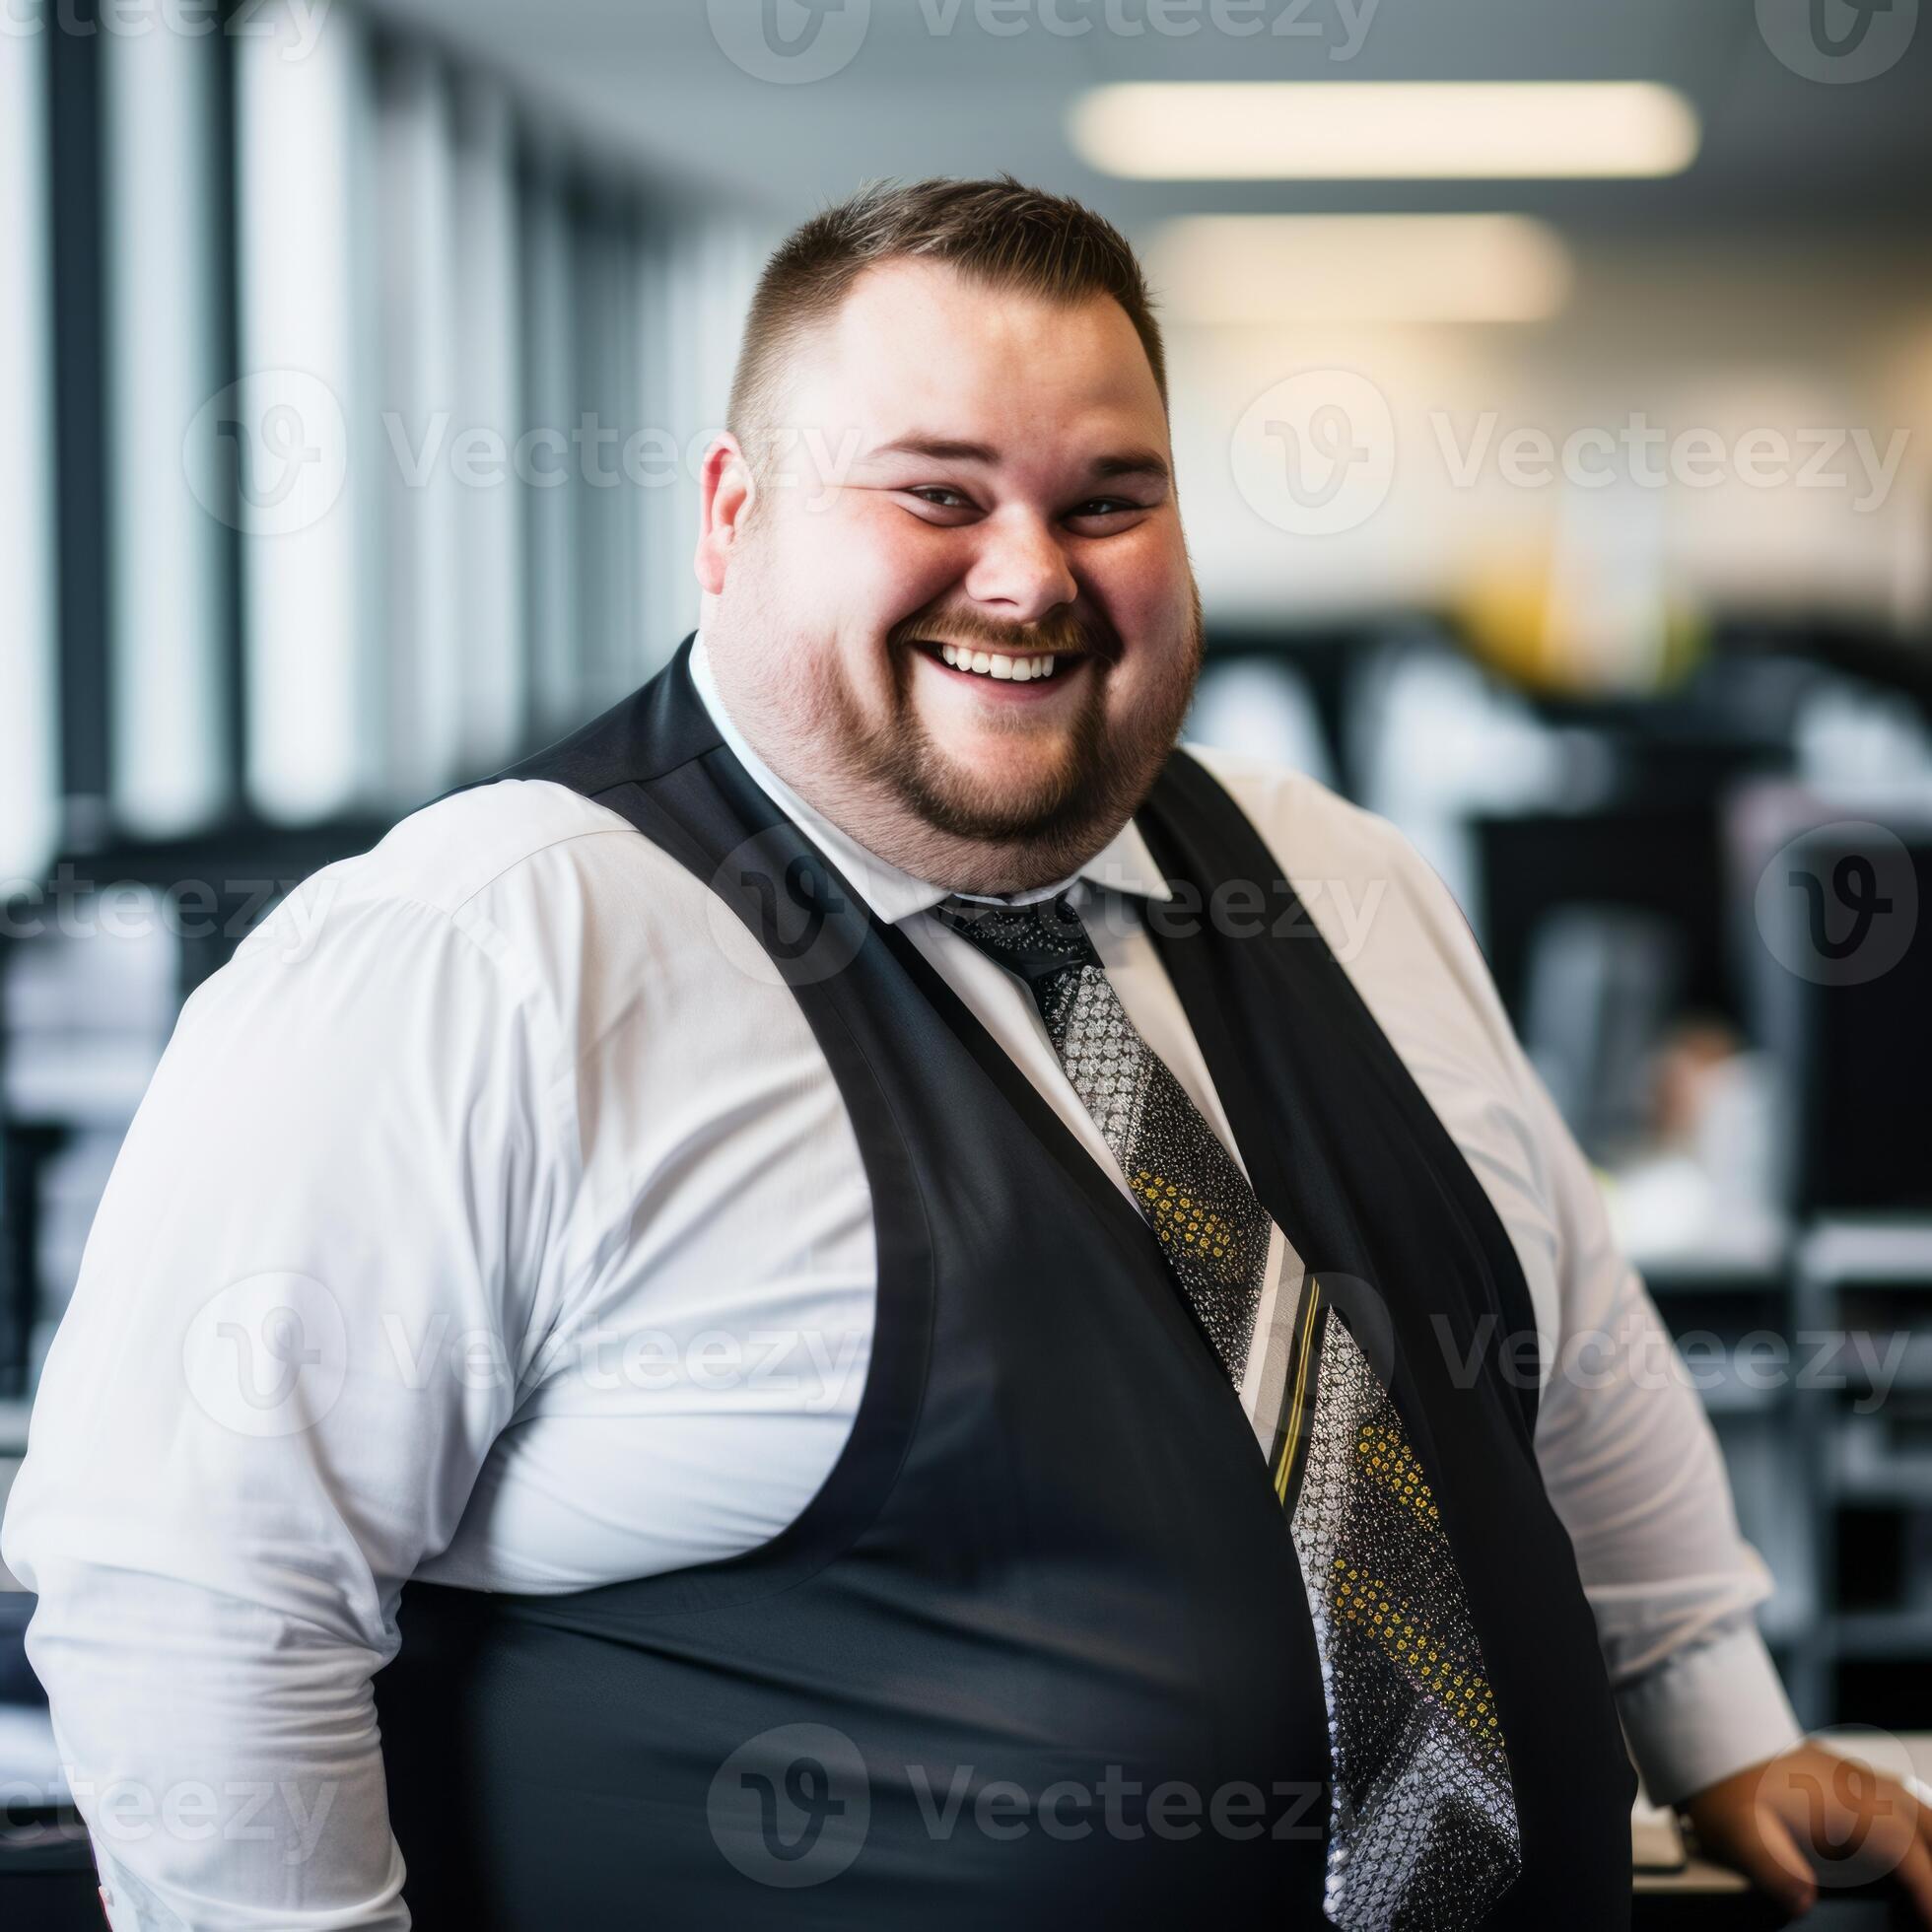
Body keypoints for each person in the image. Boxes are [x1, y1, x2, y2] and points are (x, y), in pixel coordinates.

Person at [6, 174, 1929, 1930]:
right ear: (731, 515)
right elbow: (193, 1601)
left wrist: (1713, 1717)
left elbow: (1562, 1346)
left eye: (1106, 500)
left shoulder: (1332, 873)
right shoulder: (487, 948)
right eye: (933, 492)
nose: (1027, 576)